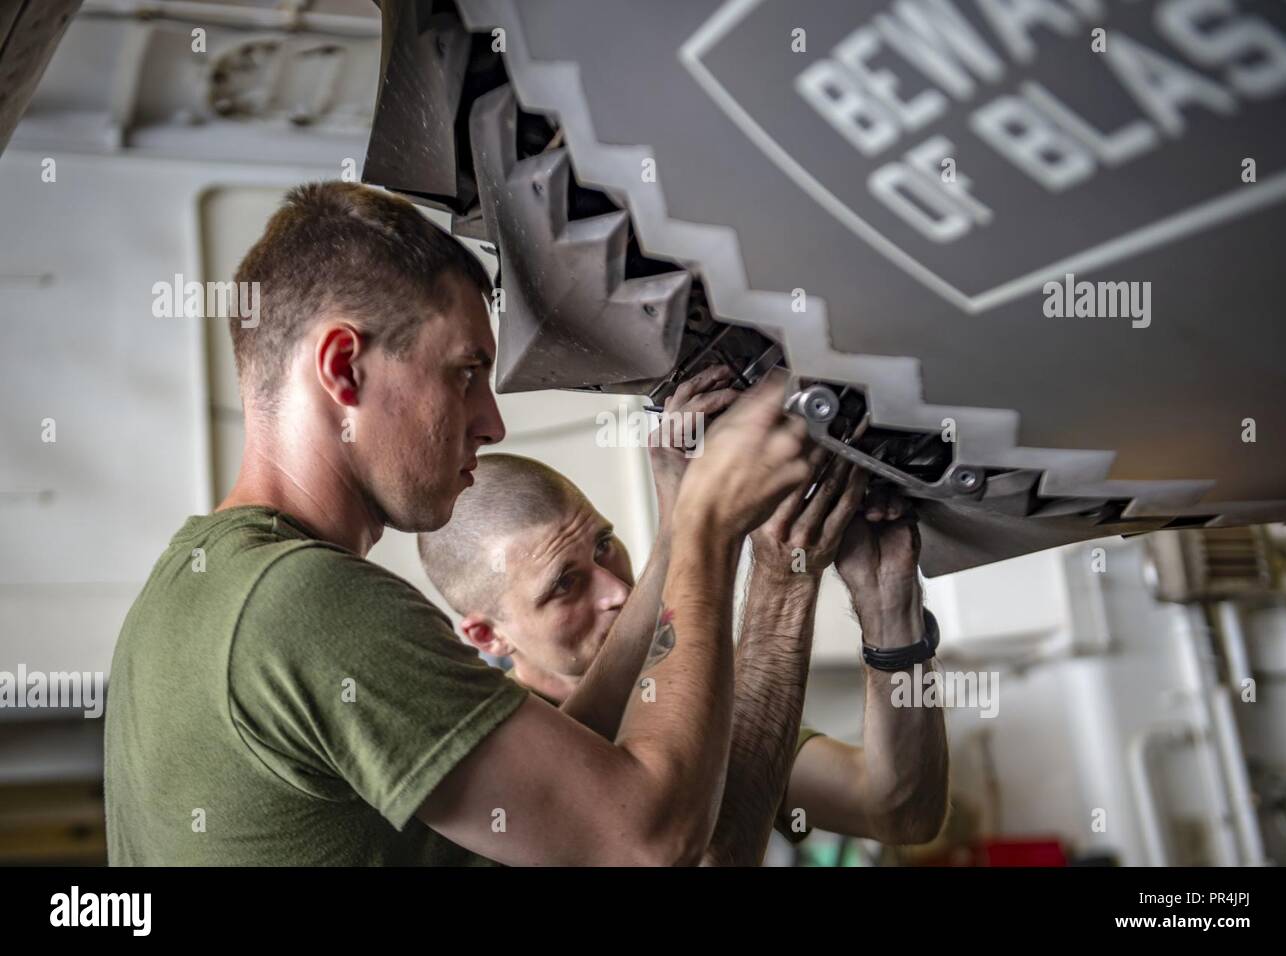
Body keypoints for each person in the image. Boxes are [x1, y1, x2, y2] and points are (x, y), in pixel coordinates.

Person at [104, 181, 811, 866]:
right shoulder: (305, 604)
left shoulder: (191, 592)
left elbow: (558, 768)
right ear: (344, 367)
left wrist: (676, 530)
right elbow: (646, 841)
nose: (492, 424)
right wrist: (710, 528)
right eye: (465, 372)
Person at [419, 368, 950, 865]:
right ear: (487, 634)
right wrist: (783, 583)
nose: (617, 591)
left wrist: (890, 612)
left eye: (604, 546)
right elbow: (694, 855)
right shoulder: (490, 764)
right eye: (564, 585)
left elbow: (901, 810)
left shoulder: (684, 697)